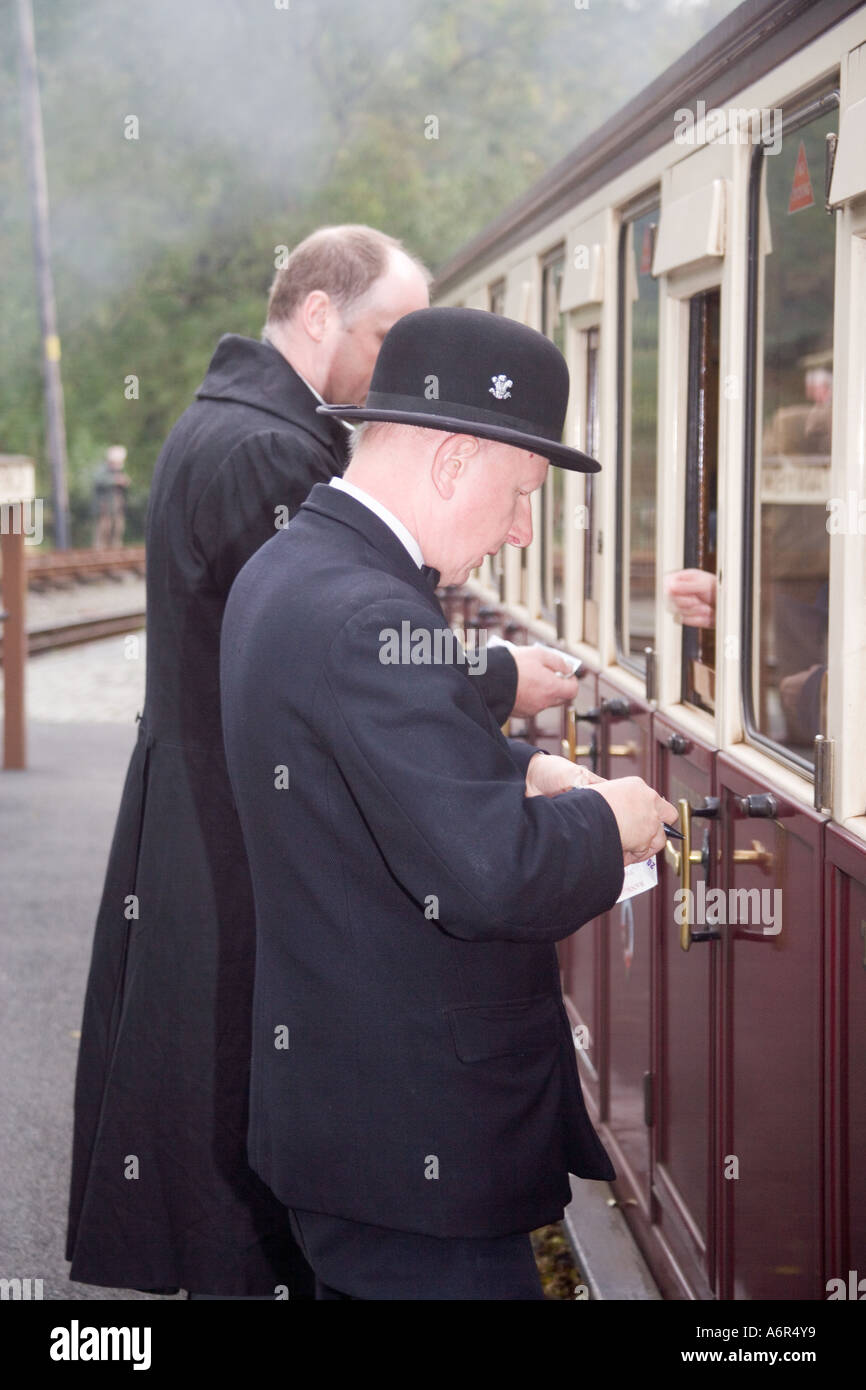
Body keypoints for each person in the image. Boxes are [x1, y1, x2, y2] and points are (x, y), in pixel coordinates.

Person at [66, 227, 580, 1300]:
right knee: (240, 1142)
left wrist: (476, 680)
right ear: (317, 317)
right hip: (250, 823)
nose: (391, 367)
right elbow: (343, 657)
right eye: (387, 334)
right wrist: (489, 685)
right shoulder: (272, 454)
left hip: (215, 793)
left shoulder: (235, 425)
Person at [220, 306, 676, 1300]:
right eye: (520, 495)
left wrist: (512, 762)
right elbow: (491, 874)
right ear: (451, 458)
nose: (520, 528)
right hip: (409, 1138)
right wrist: (616, 820)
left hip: (350, 1118)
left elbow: (359, 743)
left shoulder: (293, 566)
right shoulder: (369, 607)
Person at [91, 445, 131, 548]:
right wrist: (115, 481)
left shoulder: (119, 471)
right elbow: (98, 480)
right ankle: (99, 553)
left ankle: (116, 551)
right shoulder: (102, 470)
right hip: (104, 508)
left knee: (118, 529)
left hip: (117, 508)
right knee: (103, 531)